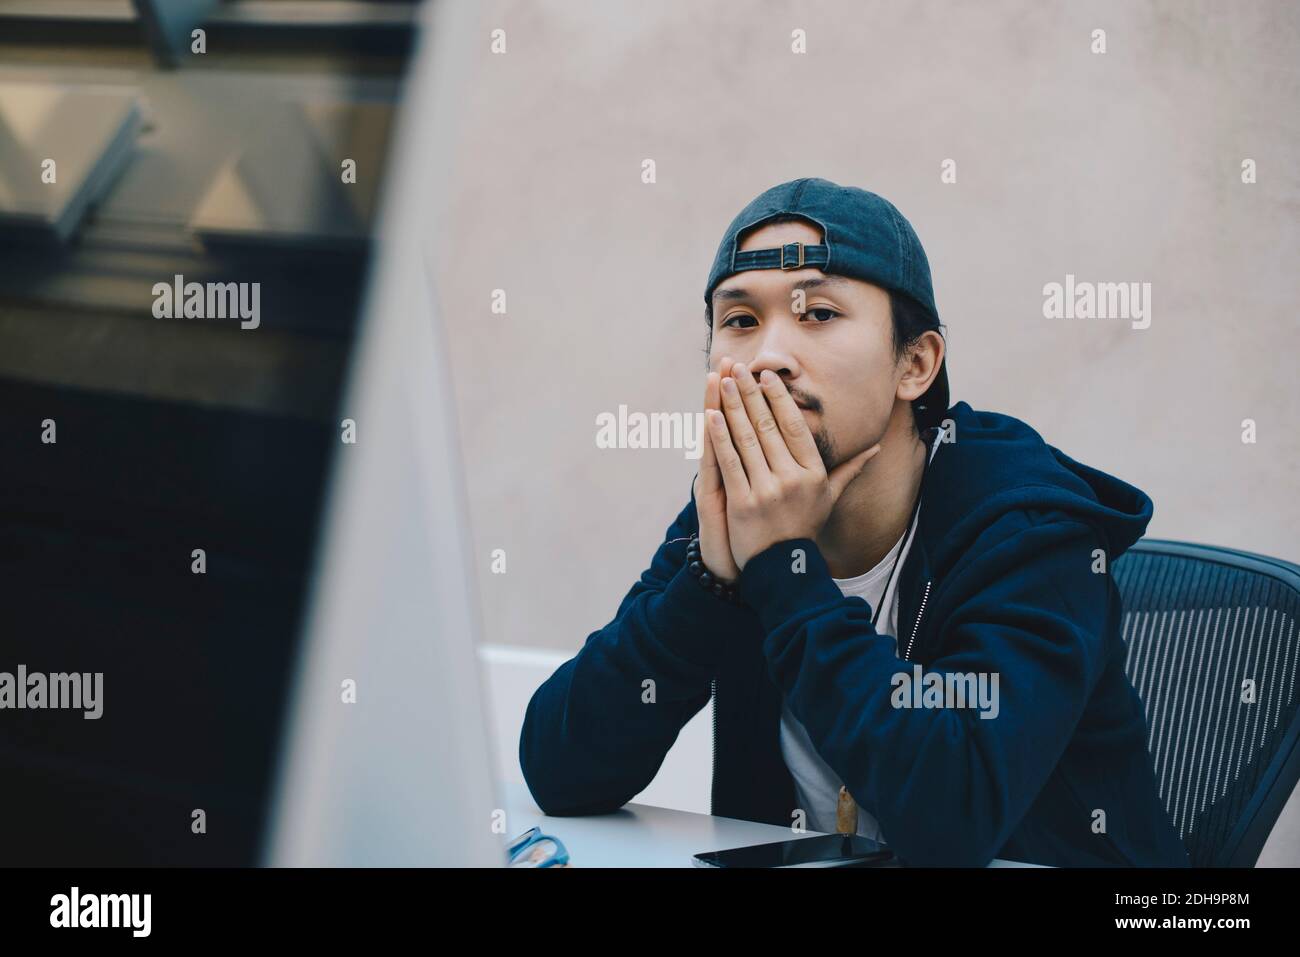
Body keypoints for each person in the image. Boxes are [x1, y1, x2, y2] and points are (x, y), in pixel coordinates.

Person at [519, 177, 1189, 867]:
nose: (768, 356)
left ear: (916, 363)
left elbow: (952, 814)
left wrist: (783, 565)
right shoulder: (742, 506)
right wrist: (711, 585)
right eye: (741, 321)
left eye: (818, 314)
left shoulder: (1032, 530)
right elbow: (561, 771)